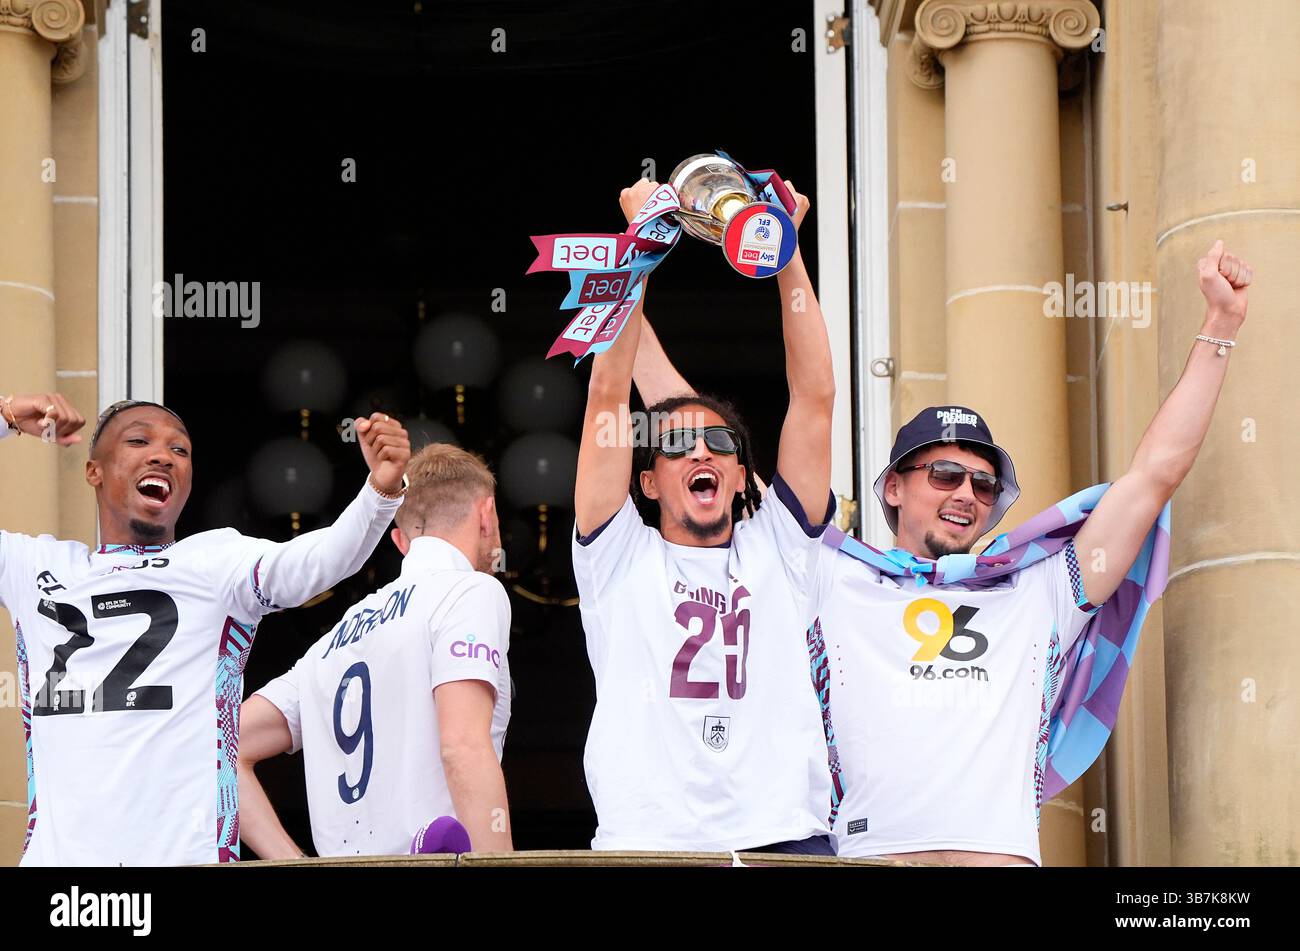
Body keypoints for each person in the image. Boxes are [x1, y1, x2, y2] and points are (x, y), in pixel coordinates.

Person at [634, 240, 1253, 866]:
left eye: (984, 483)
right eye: (945, 474)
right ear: (894, 488)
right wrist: (626, 283)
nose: (966, 493)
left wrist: (1220, 327)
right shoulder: (824, 572)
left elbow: (1153, 475)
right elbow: (700, 439)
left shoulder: (1041, 589)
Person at [0, 395, 409, 865]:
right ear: (94, 471)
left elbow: (321, 560)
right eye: (138, 441)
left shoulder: (216, 562)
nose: (162, 456)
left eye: (180, 451)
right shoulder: (33, 567)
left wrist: (379, 492)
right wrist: (7, 416)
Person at [571, 177, 839, 854]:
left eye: (721, 441)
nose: (702, 450)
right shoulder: (617, 555)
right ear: (648, 481)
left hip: (786, 840)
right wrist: (636, 248)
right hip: (649, 843)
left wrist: (785, 254)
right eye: (678, 443)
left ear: (743, 474)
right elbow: (607, 398)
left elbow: (815, 397)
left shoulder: (778, 545)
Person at [238, 443, 513, 858]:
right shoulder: (470, 591)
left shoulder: (332, 640)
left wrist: (293, 865)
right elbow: (462, 747)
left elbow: (219, 745)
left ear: (401, 540)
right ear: (486, 513)